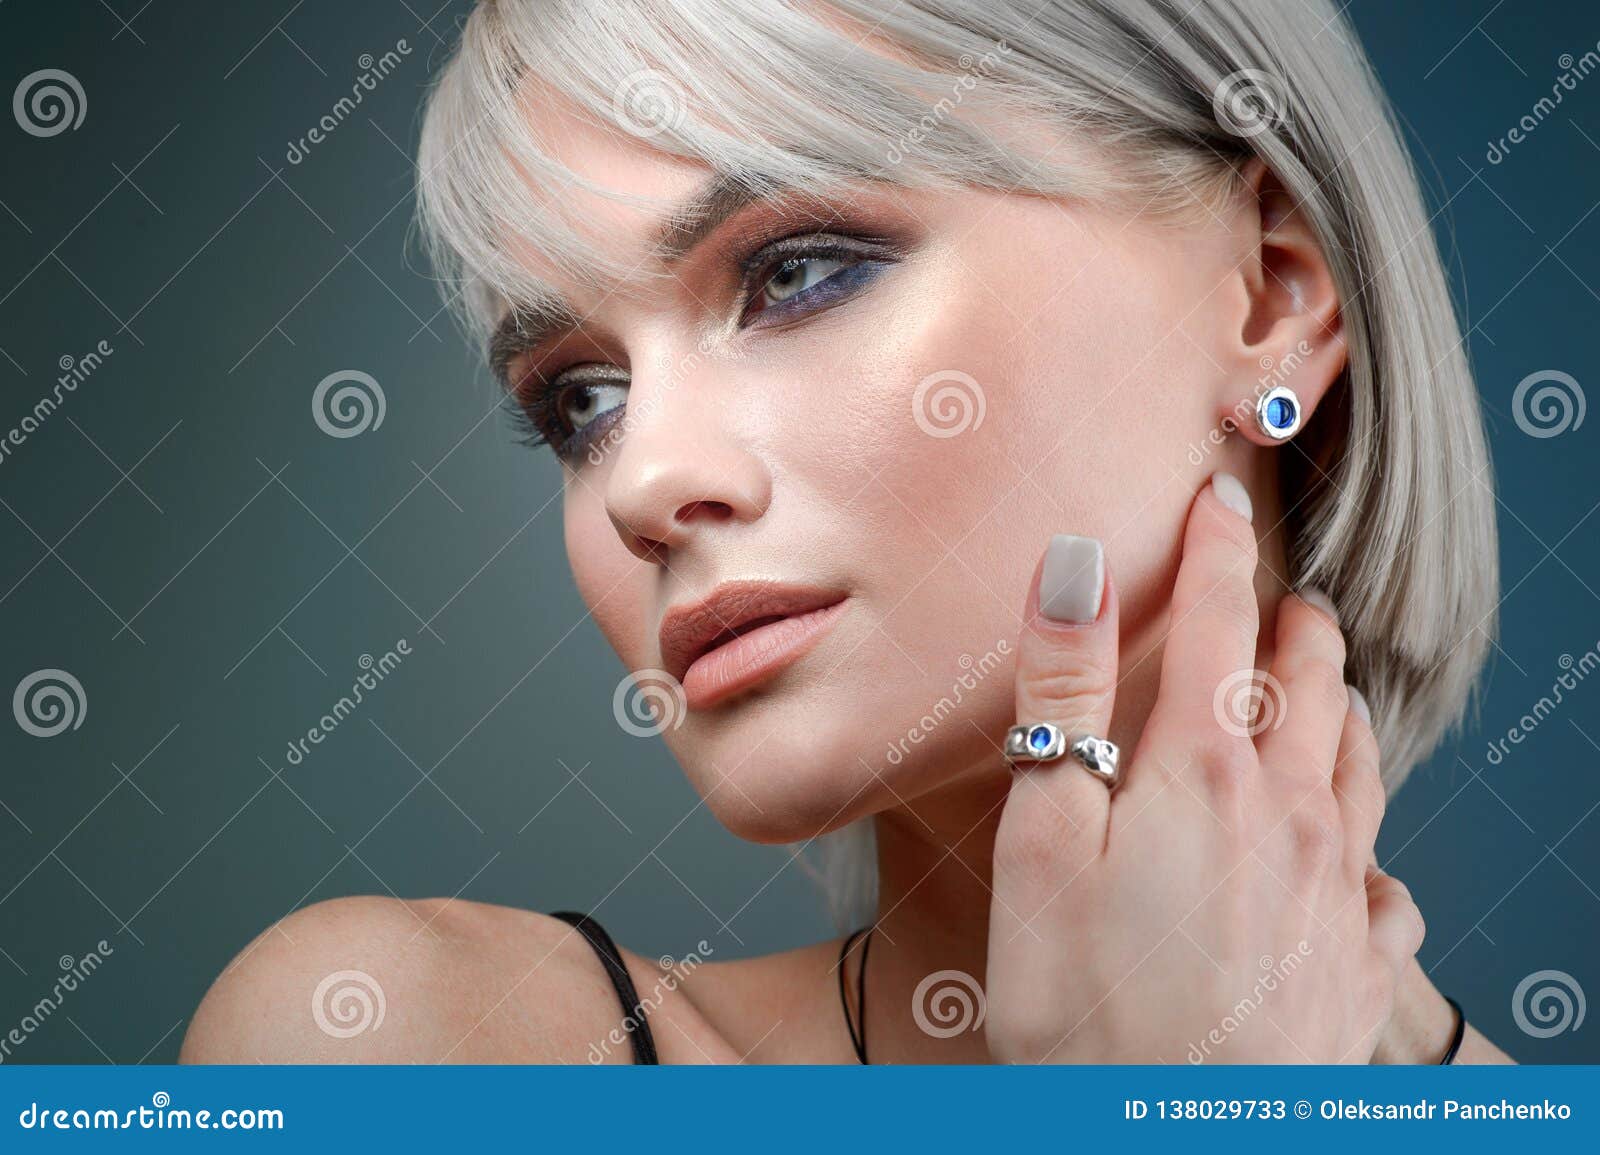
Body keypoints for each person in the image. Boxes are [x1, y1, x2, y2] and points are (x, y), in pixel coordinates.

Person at [181, 0, 1512, 1064]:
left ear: (1269, 293)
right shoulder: (402, 1047)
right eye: (580, 401)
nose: (643, 483)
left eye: (799, 271)